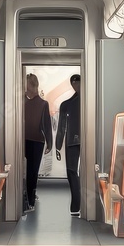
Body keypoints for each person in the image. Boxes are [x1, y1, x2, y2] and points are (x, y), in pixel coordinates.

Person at [23, 73, 52, 213]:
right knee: (26, 171)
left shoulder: (43, 104)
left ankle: (31, 200)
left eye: (27, 84)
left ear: (31, 85)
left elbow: (47, 124)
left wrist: (50, 143)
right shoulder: (21, 101)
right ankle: (27, 197)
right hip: (22, 141)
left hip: (36, 142)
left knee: (32, 171)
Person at [55, 74, 81, 216]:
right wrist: (58, 146)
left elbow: (61, 127)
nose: (76, 85)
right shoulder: (66, 104)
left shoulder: (69, 104)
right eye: (74, 83)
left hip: (82, 140)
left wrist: (58, 146)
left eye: (77, 82)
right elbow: (61, 127)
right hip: (72, 141)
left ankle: (79, 205)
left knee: (76, 172)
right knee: (71, 171)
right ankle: (76, 206)